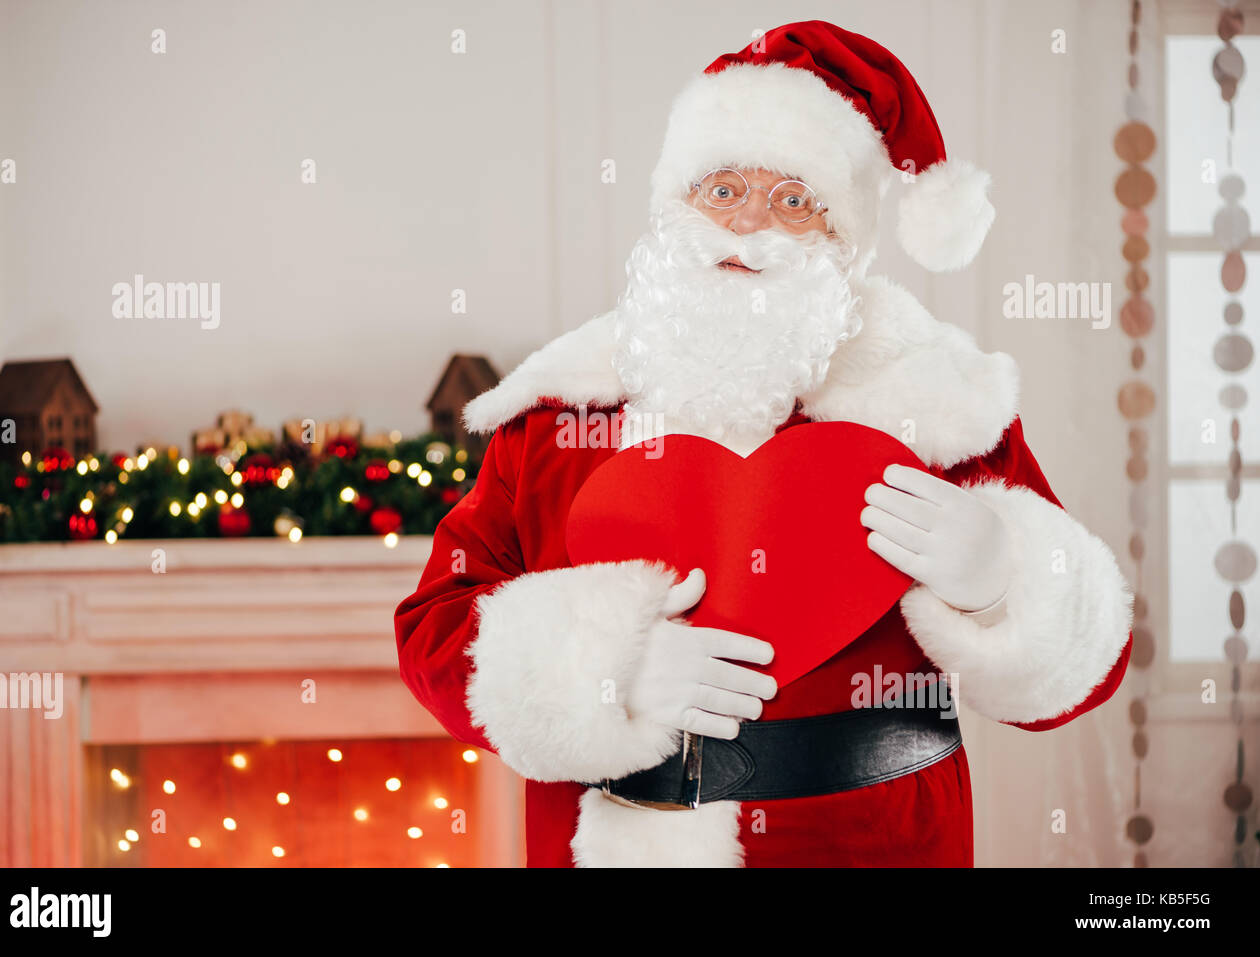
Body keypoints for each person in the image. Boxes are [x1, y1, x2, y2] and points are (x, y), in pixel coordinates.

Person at [394, 20, 1134, 867]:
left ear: (844, 239)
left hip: (879, 846)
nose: (749, 225)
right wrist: (605, 668)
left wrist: (1002, 583)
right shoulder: (563, 411)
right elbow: (434, 627)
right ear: (674, 208)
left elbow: (1082, 676)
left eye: (793, 200)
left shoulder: (938, 404)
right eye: (721, 189)